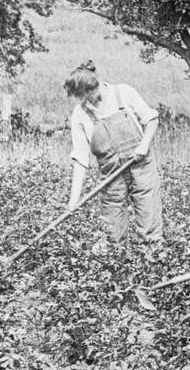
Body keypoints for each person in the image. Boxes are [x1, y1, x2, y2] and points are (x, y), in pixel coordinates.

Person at [64, 60, 163, 250]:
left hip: (141, 168)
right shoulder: (80, 114)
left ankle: (154, 264)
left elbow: (152, 119)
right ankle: (117, 271)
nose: (85, 101)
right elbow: (81, 158)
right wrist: (74, 198)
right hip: (111, 175)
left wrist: (143, 145)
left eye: (86, 95)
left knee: (149, 224)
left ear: (93, 87)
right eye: (80, 98)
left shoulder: (124, 93)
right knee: (112, 230)